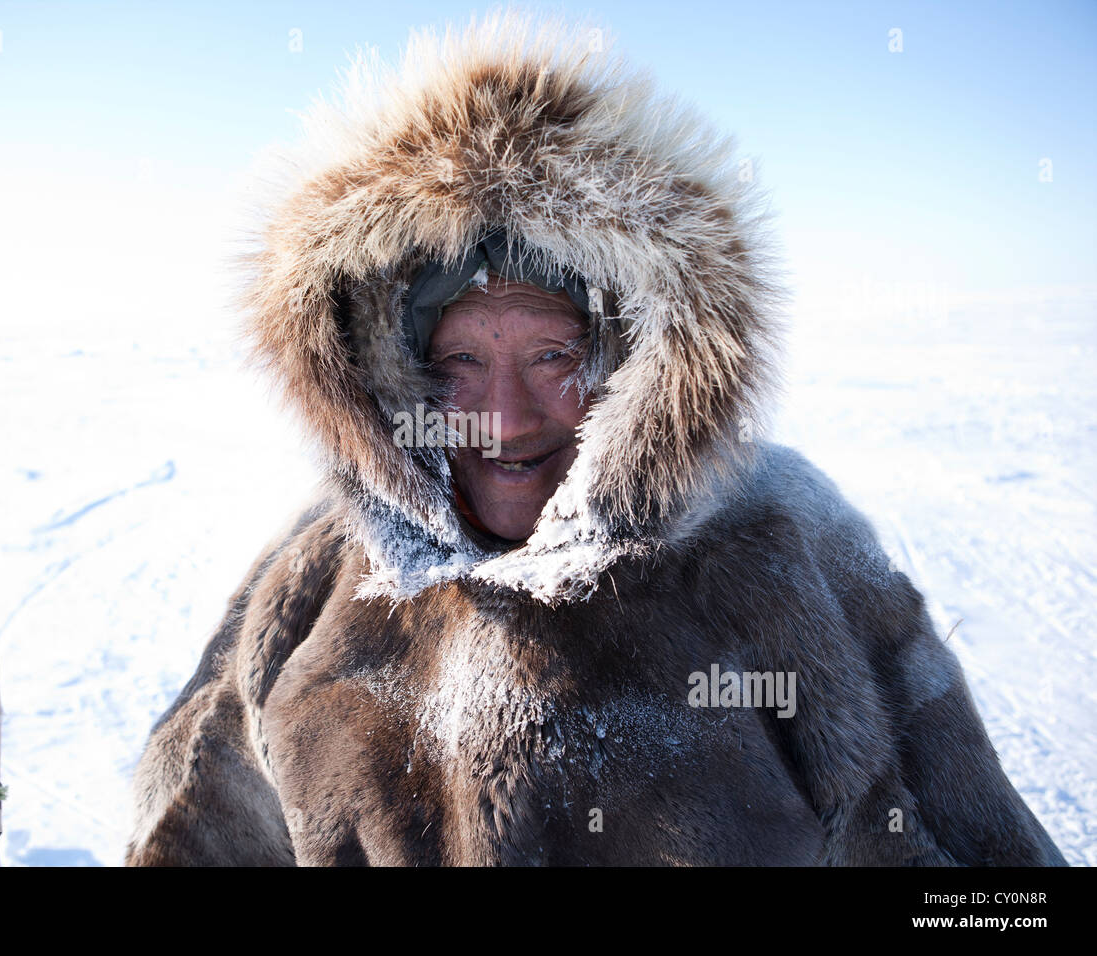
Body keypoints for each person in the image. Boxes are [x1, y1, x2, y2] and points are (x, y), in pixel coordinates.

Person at [124, 10, 1066, 866]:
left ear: (631, 368)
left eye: (552, 355)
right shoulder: (313, 582)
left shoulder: (788, 555)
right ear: (389, 371)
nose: (509, 416)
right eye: (458, 360)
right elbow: (192, 832)